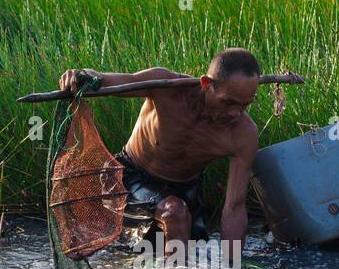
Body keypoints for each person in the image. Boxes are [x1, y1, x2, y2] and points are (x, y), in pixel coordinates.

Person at [57, 48, 260, 249]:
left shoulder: (244, 133)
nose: (235, 113)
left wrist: (232, 265)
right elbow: (108, 81)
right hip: (130, 177)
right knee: (175, 213)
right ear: (206, 84)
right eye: (228, 102)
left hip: (186, 188)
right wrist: (83, 76)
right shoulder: (166, 88)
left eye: (244, 105)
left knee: (193, 252)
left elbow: (234, 207)